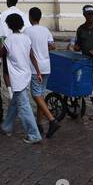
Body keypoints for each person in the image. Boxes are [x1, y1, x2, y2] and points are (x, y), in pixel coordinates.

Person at [0, 13, 45, 144]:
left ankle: (34, 134)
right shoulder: (26, 38)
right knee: (15, 103)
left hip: (17, 77)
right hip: (26, 74)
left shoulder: (9, 40)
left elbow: (2, 53)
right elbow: (32, 56)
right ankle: (6, 126)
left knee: (24, 107)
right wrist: (38, 72)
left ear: (9, 25)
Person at [25, 7, 59, 137]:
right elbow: (53, 45)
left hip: (35, 68)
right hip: (46, 66)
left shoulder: (27, 31)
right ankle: (39, 124)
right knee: (41, 95)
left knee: (36, 95)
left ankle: (51, 119)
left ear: (30, 17)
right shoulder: (45, 30)